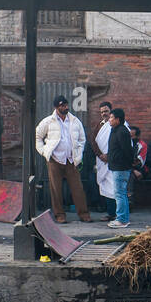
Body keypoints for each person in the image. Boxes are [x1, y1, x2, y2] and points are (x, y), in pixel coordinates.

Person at [35, 95, 91, 224]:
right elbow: (37, 137)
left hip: (71, 160)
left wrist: (78, 151)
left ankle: (84, 214)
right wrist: (44, 151)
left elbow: (82, 139)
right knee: (56, 189)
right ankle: (60, 215)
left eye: (66, 105)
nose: (65, 107)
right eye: (62, 105)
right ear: (56, 107)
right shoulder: (48, 121)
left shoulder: (75, 121)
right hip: (55, 160)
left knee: (78, 188)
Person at [105, 108, 139, 228]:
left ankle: (122, 220)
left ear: (118, 119)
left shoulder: (122, 132)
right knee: (120, 193)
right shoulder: (115, 130)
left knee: (120, 194)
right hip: (117, 167)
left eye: (111, 118)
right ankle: (123, 218)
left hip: (121, 168)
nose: (109, 120)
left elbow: (127, 151)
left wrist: (126, 164)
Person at [92, 101, 116, 221]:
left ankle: (119, 215)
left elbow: (118, 142)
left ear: (111, 111)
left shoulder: (117, 124)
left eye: (106, 111)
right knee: (106, 187)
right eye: (102, 112)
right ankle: (110, 213)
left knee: (115, 187)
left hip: (114, 161)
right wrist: (101, 155)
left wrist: (109, 156)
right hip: (102, 161)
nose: (104, 114)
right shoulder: (99, 126)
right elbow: (93, 142)